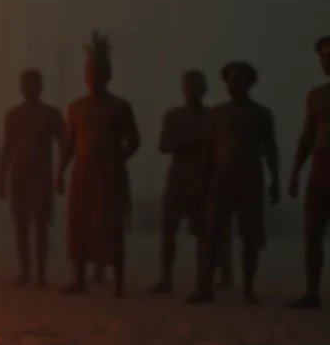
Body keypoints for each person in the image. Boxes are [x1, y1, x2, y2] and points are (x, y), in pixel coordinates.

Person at [188, 61, 278, 305]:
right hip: (220, 182)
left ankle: (248, 287)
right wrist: (202, 182)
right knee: (212, 233)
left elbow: (270, 148)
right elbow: (209, 149)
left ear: (250, 82)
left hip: (250, 181)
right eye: (229, 79)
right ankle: (204, 287)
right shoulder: (216, 114)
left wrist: (276, 180)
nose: (233, 84)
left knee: (250, 236)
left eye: (239, 79)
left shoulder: (261, 114)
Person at [58, 32, 140, 297]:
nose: (94, 76)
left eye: (100, 71)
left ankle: (118, 282)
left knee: (111, 226)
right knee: (79, 225)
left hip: (109, 174)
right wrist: (59, 171)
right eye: (90, 71)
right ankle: (80, 278)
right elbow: (69, 144)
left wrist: (117, 161)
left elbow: (134, 141)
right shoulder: (76, 107)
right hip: (82, 173)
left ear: (109, 75)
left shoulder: (119, 106)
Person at [151, 70, 231, 294]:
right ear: (183, 88)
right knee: (168, 230)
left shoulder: (212, 116)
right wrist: (191, 140)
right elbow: (164, 145)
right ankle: (166, 279)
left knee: (206, 233)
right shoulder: (174, 115)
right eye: (190, 85)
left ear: (204, 89)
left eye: (198, 85)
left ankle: (204, 280)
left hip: (204, 180)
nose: (194, 89)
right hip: (179, 178)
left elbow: (220, 146)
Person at [0, 68, 63, 287]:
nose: (29, 88)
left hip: (41, 178)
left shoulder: (50, 115)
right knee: (21, 227)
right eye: (25, 83)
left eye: (33, 83)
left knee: (41, 227)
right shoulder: (13, 115)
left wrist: (61, 173)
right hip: (19, 177)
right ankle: (26, 271)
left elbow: (64, 143)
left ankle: (41, 273)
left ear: (40, 86)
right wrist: (1, 177)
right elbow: (6, 148)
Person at [289, 35, 330, 309]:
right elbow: (308, 134)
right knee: (313, 232)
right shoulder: (316, 95)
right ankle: (312, 292)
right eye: (322, 56)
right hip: (321, 167)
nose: (325, 61)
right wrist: (295, 170)